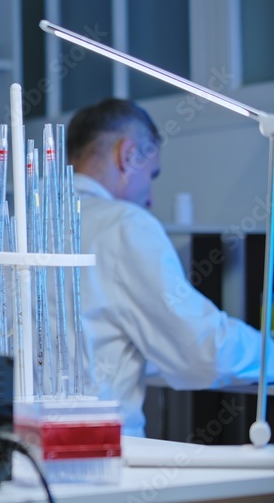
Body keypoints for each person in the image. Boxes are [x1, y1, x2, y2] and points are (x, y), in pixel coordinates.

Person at [66, 98, 274, 437]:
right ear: (129, 155)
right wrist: (269, 351)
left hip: (22, 453)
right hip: (100, 453)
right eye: (152, 174)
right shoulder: (124, 224)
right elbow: (201, 349)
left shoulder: (20, 225)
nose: (150, 198)